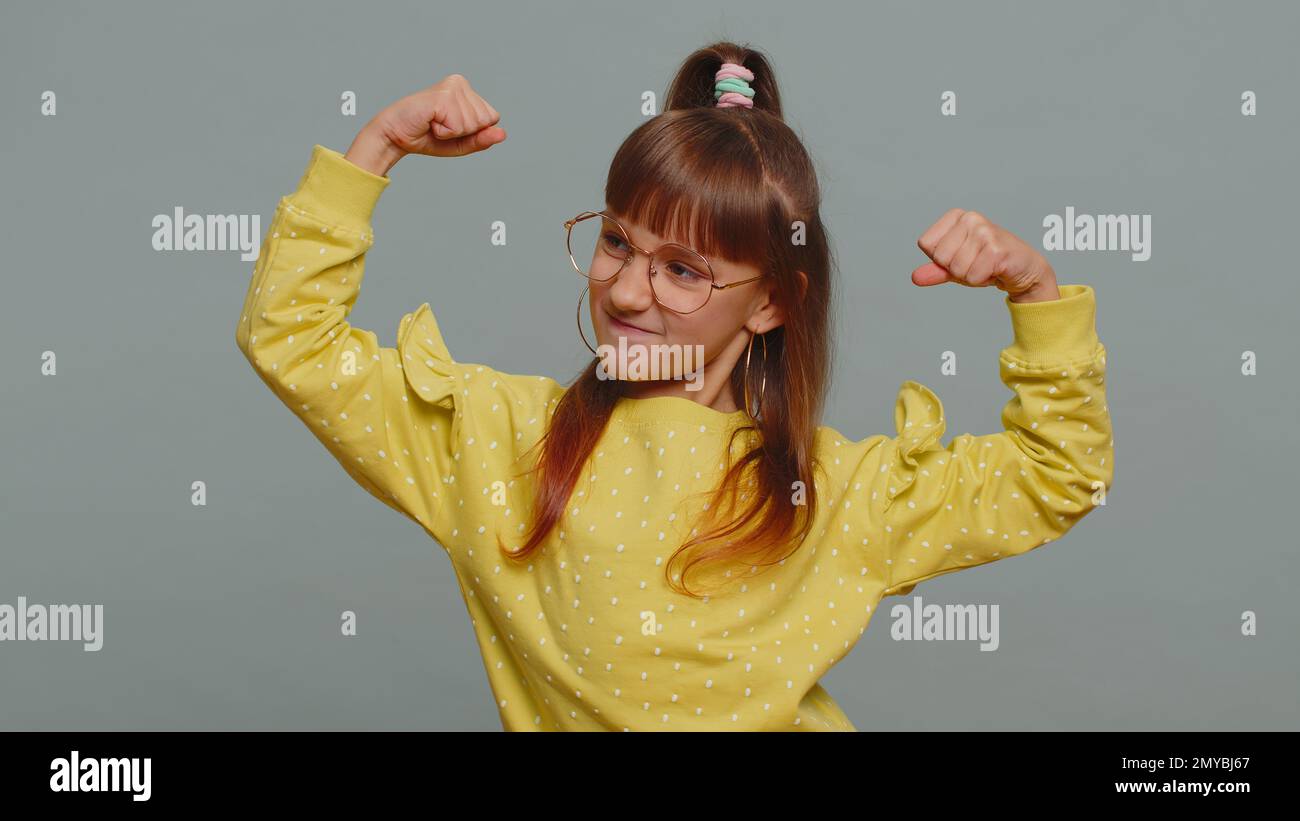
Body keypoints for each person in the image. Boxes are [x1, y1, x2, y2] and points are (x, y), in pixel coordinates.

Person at [235, 41, 1113, 731]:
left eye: (683, 269)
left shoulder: (832, 496)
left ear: (771, 301)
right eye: (616, 241)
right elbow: (292, 339)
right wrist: (376, 146)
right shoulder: (499, 443)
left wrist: (1035, 292)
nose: (623, 291)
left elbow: (1059, 475)